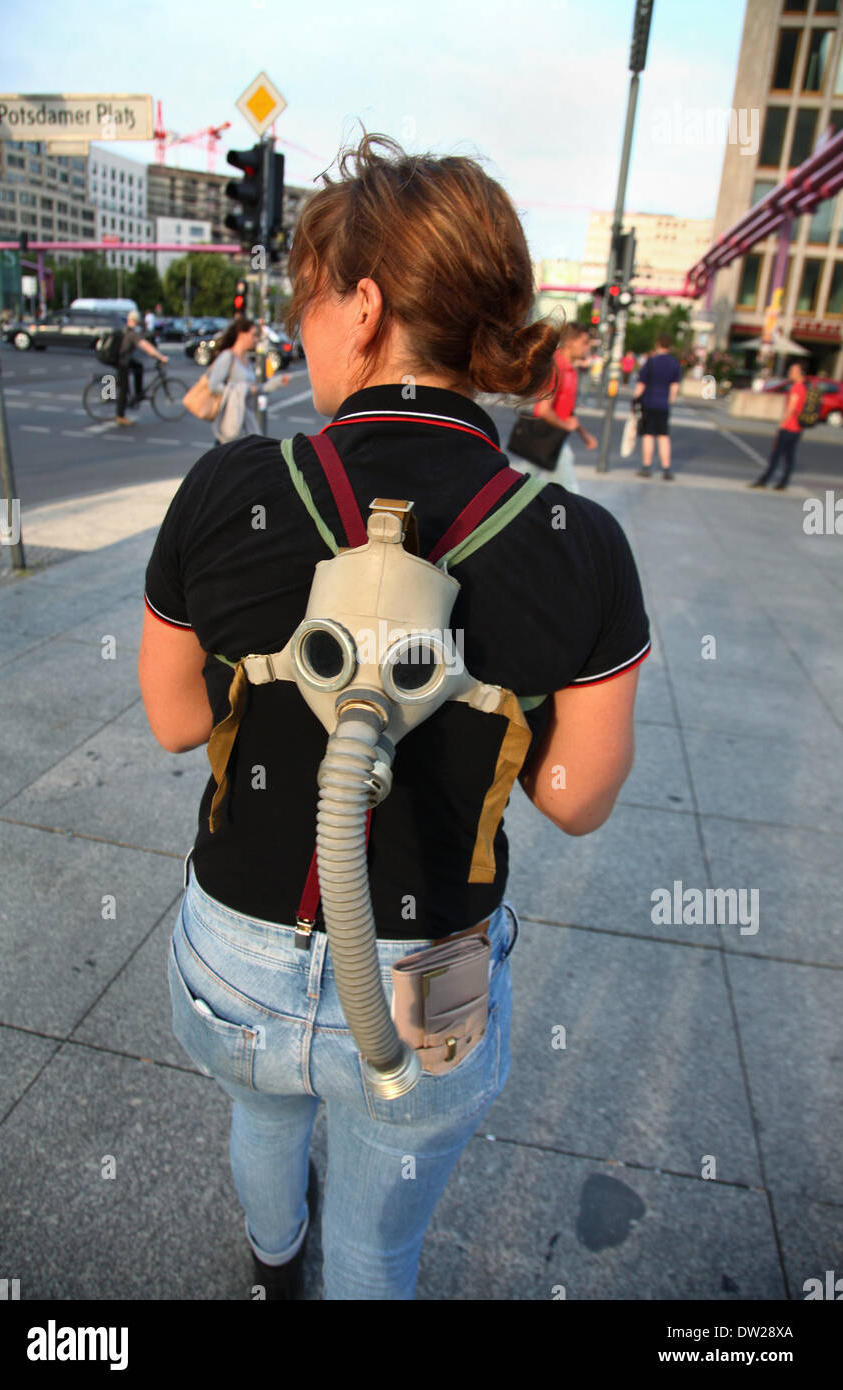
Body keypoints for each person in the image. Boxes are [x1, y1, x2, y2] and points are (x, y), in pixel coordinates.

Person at [138, 131, 650, 1301]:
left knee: (262, 1123)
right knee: (379, 1247)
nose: (305, 332)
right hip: (430, 993)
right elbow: (574, 800)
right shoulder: (580, 543)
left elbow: (172, 718)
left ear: (360, 307)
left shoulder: (229, 490)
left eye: (311, 301)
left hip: (235, 961)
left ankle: (273, 1268)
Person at [529, 322, 598, 493]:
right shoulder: (556, 367)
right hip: (548, 433)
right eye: (584, 342)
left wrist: (584, 434)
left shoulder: (570, 370)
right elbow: (544, 409)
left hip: (554, 434)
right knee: (569, 490)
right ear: (570, 344)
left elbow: (568, 413)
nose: (587, 347)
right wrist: (567, 426)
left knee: (527, 477)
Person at [748, 362, 807, 491]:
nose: (790, 373)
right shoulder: (803, 388)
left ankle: (764, 480)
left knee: (776, 455)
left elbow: (791, 408)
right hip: (797, 428)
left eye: (792, 370)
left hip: (788, 427)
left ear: (799, 373)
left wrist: (782, 424)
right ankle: (783, 483)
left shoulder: (796, 388)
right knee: (789, 456)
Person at [633, 332, 681, 479]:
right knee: (663, 436)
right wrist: (670, 400)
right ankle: (666, 468)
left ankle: (647, 467)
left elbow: (641, 384)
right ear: (670, 346)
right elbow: (675, 386)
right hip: (663, 403)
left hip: (649, 401)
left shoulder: (651, 362)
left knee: (648, 434)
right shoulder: (674, 363)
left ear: (657, 344)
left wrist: (635, 399)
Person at [115, 310, 168, 427]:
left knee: (139, 366)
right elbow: (145, 346)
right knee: (124, 388)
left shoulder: (126, 330)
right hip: (122, 362)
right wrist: (160, 356)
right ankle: (120, 415)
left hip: (124, 359)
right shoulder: (131, 333)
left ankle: (138, 394)